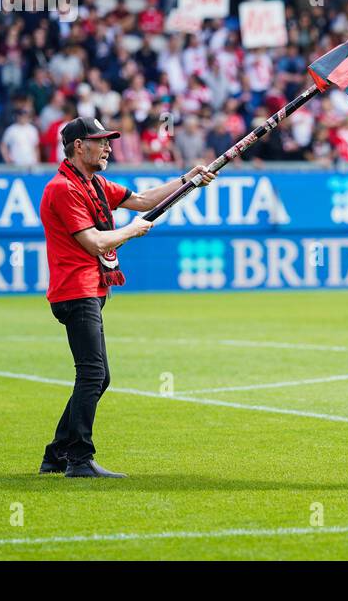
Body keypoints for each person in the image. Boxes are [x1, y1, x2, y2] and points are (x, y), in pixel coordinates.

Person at [38, 116, 215, 478]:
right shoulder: (63, 189)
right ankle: (78, 459)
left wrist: (188, 179)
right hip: (76, 289)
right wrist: (131, 231)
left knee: (98, 377)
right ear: (78, 147)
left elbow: (144, 199)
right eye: (101, 141)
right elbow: (94, 241)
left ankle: (56, 454)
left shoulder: (96, 184)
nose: (108, 147)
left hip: (90, 287)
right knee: (92, 374)